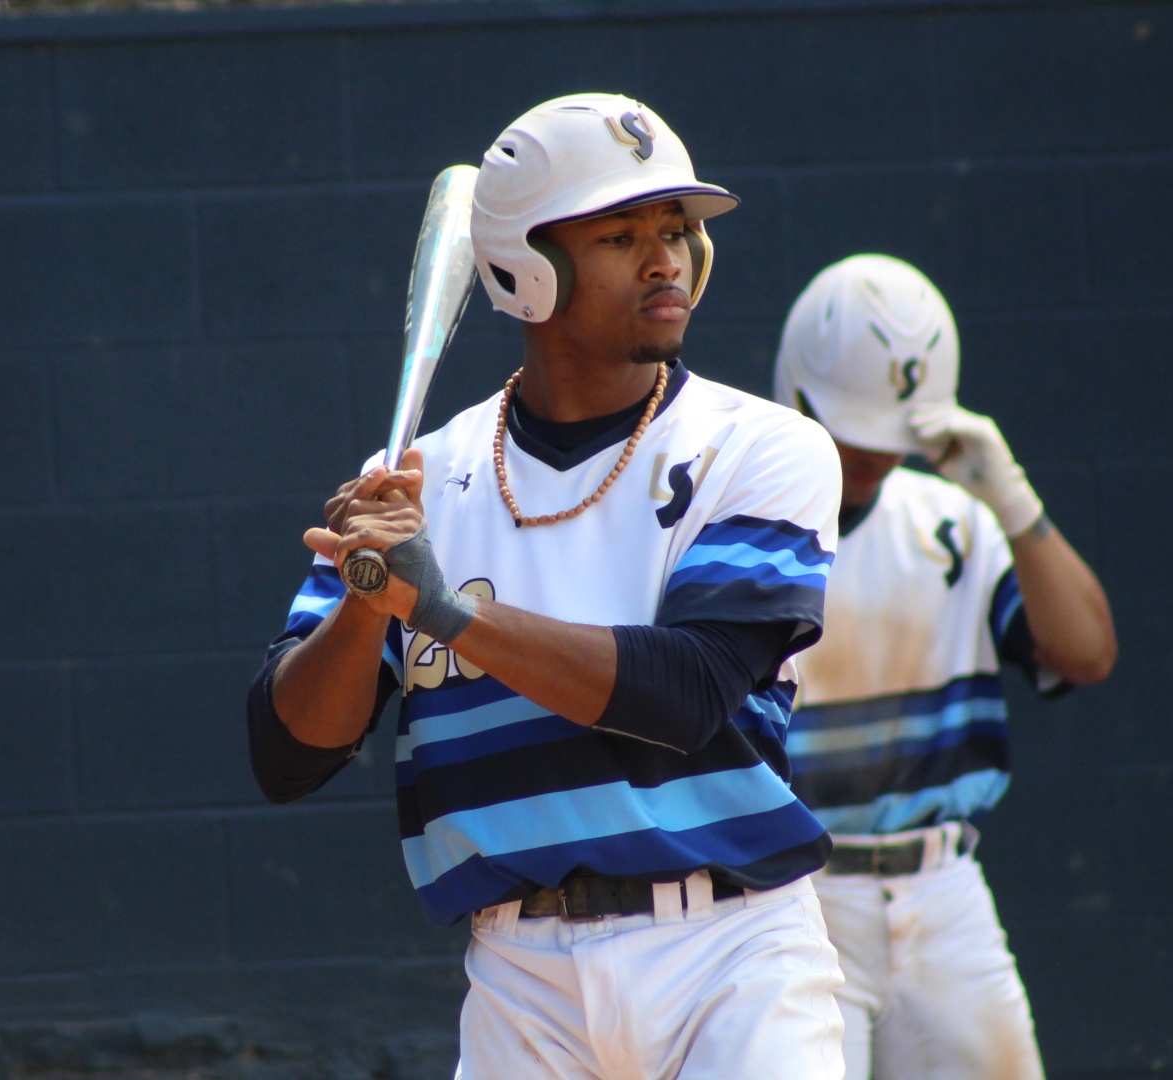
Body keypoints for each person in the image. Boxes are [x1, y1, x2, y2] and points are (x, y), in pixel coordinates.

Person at [246, 94, 848, 1079]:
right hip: (520, 979)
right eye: (621, 234)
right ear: (526, 272)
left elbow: (688, 694)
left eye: (676, 230)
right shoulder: (417, 481)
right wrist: (368, 601)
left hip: (734, 960)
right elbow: (288, 754)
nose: (665, 259)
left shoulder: (763, 449)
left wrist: (438, 606)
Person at [771, 253, 1118, 1080]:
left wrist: (1013, 499)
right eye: (856, 433)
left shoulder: (955, 523)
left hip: (942, 889)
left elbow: (1087, 654)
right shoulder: (738, 526)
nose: (874, 457)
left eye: (891, 438)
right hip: (792, 898)